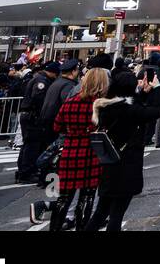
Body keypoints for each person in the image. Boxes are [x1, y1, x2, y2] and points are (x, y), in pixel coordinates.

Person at [86, 68, 160, 231]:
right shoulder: (131, 110)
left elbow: (133, 106)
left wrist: (143, 94)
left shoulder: (105, 107)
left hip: (110, 162)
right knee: (116, 215)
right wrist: (157, 88)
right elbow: (158, 110)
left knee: (101, 211)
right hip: (127, 164)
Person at [32, 66, 109, 231]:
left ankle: (55, 228)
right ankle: (83, 227)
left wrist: (72, 131)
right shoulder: (99, 105)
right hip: (91, 151)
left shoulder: (70, 102)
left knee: (64, 198)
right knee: (87, 196)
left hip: (70, 150)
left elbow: (57, 125)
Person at [15, 61, 58, 183]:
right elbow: (38, 98)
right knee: (31, 145)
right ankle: (26, 172)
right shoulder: (42, 81)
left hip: (29, 115)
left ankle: (23, 170)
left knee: (28, 144)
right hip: (32, 116)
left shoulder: (39, 78)